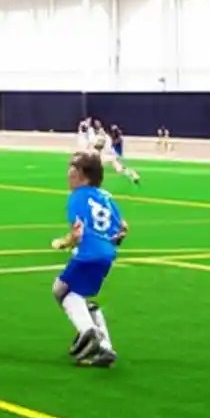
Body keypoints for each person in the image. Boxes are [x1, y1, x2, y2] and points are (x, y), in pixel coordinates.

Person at [50, 152, 126, 368]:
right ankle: (105, 348)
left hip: (88, 254)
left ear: (83, 175)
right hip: (106, 254)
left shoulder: (77, 197)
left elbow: (78, 233)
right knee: (79, 297)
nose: (68, 173)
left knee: (61, 290)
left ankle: (89, 332)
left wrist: (63, 242)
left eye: (72, 169)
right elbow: (121, 229)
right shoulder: (107, 197)